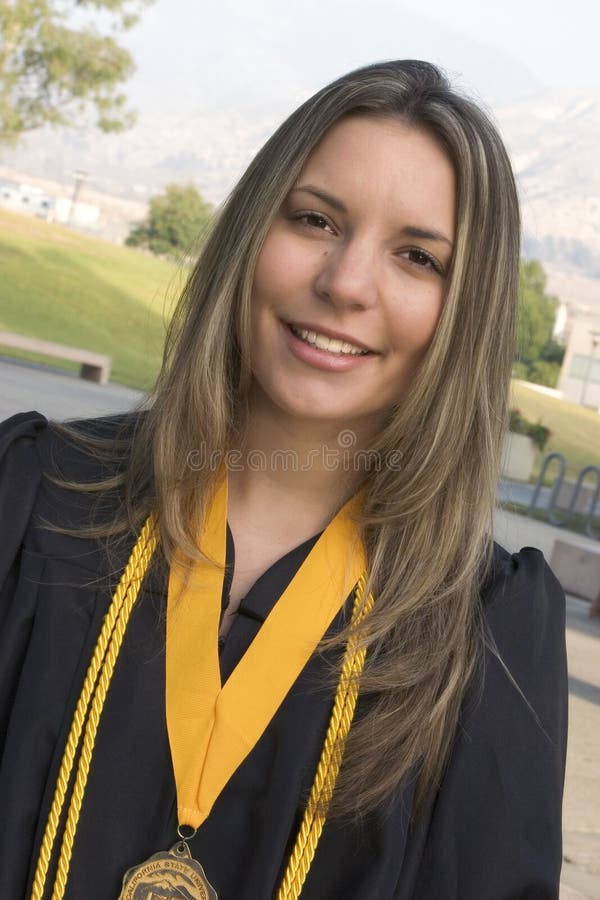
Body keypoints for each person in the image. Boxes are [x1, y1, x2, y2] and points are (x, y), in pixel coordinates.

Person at [0, 60, 567, 900]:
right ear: (250, 233)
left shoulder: (483, 638)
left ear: (467, 313)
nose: (344, 284)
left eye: (417, 256)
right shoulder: (34, 497)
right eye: (315, 219)